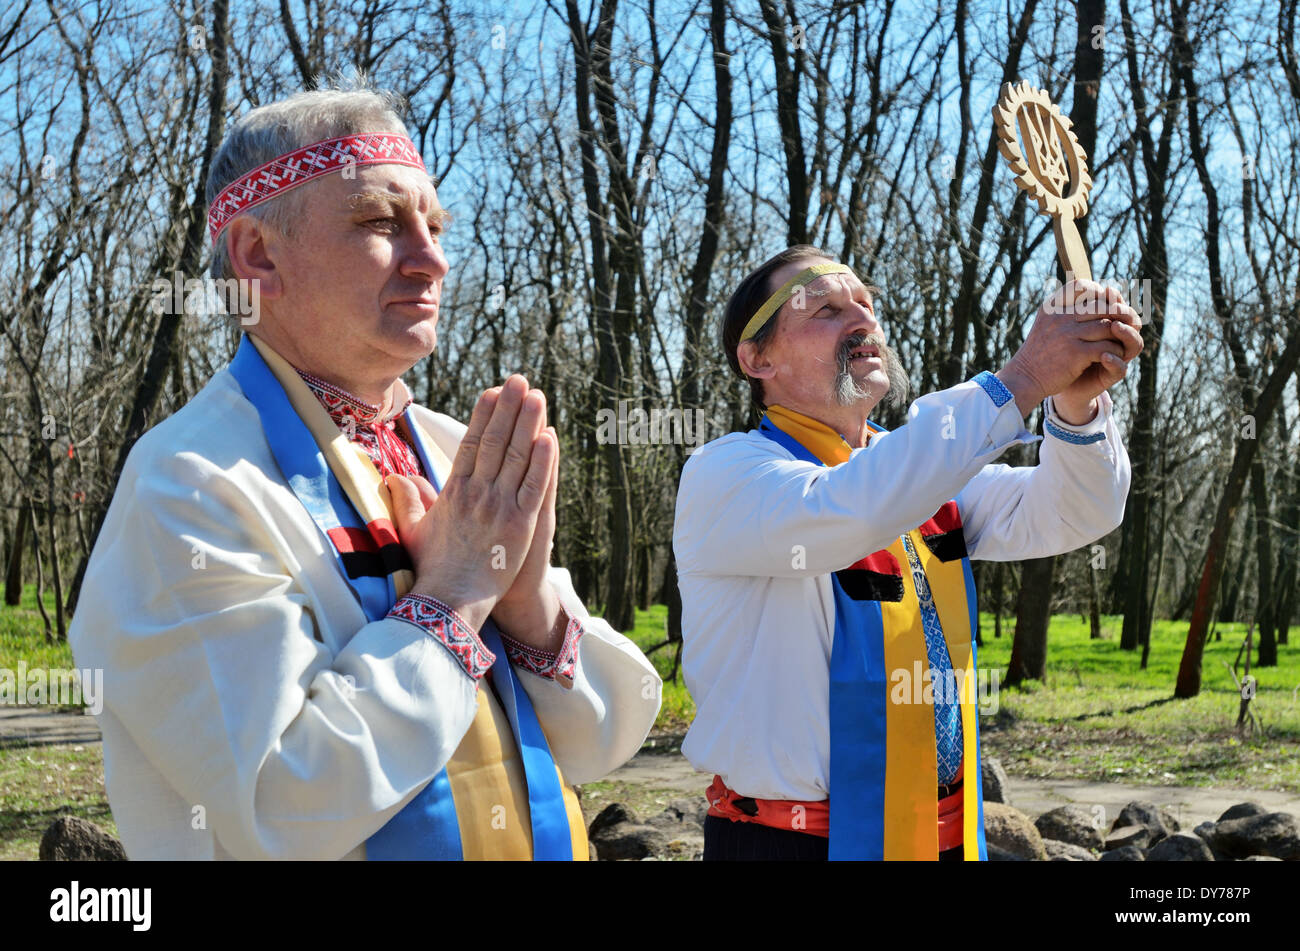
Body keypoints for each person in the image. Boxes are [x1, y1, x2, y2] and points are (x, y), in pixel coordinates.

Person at [69, 82, 661, 860]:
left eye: (436, 224)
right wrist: (452, 602)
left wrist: (525, 607)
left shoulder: (458, 454)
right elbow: (283, 800)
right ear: (258, 255)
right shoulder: (187, 482)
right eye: (381, 221)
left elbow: (598, 741)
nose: (433, 258)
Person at [672, 245, 1141, 860]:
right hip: (792, 844)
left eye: (866, 303)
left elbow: (1072, 513)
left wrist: (1074, 408)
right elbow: (851, 510)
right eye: (826, 310)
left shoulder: (914, 471)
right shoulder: (726, 475)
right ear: (757, 357)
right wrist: (1022, 380)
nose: (862, 320)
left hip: (939, 835)